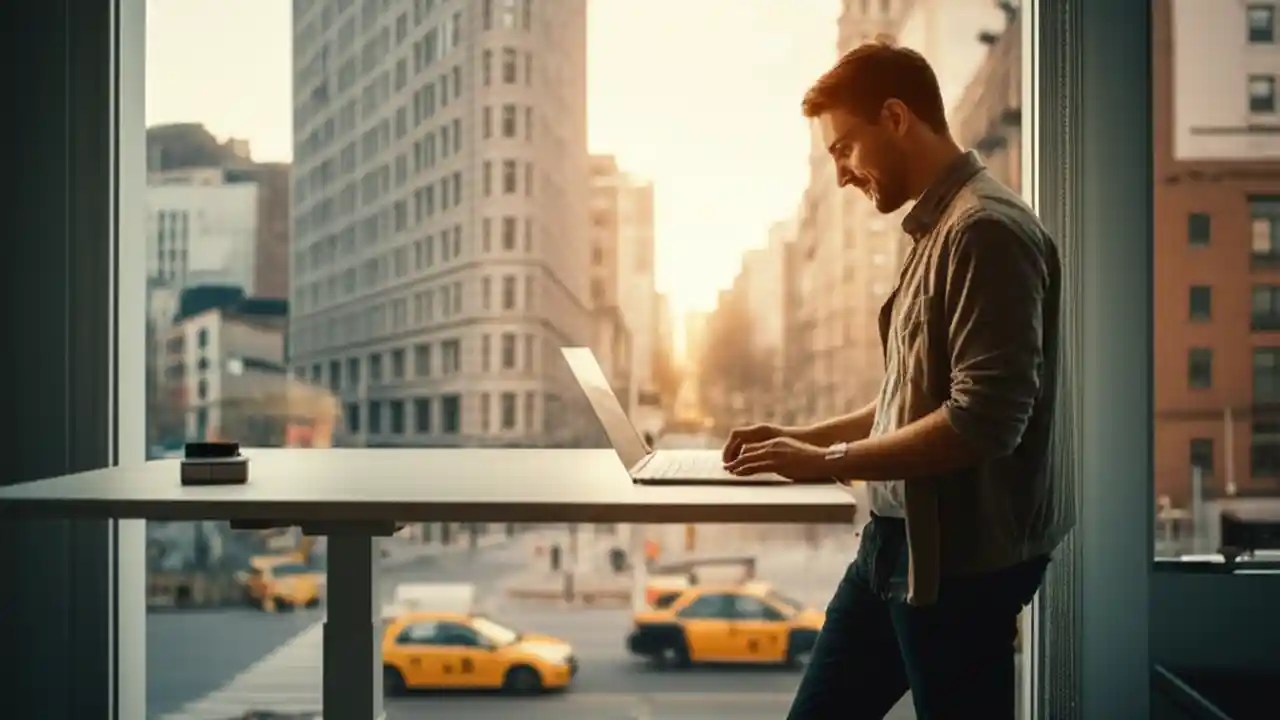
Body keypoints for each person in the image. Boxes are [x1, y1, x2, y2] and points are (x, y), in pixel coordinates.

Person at [721, 38, 1071, 719]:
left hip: (956, 570)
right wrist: (796, 438)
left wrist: (826, 461)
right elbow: (904, 401)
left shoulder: (984, 232)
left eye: (844, 148)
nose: (843, 175)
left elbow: (983, 421)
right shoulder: (938, 229)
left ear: (896, 118)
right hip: (895, 548)